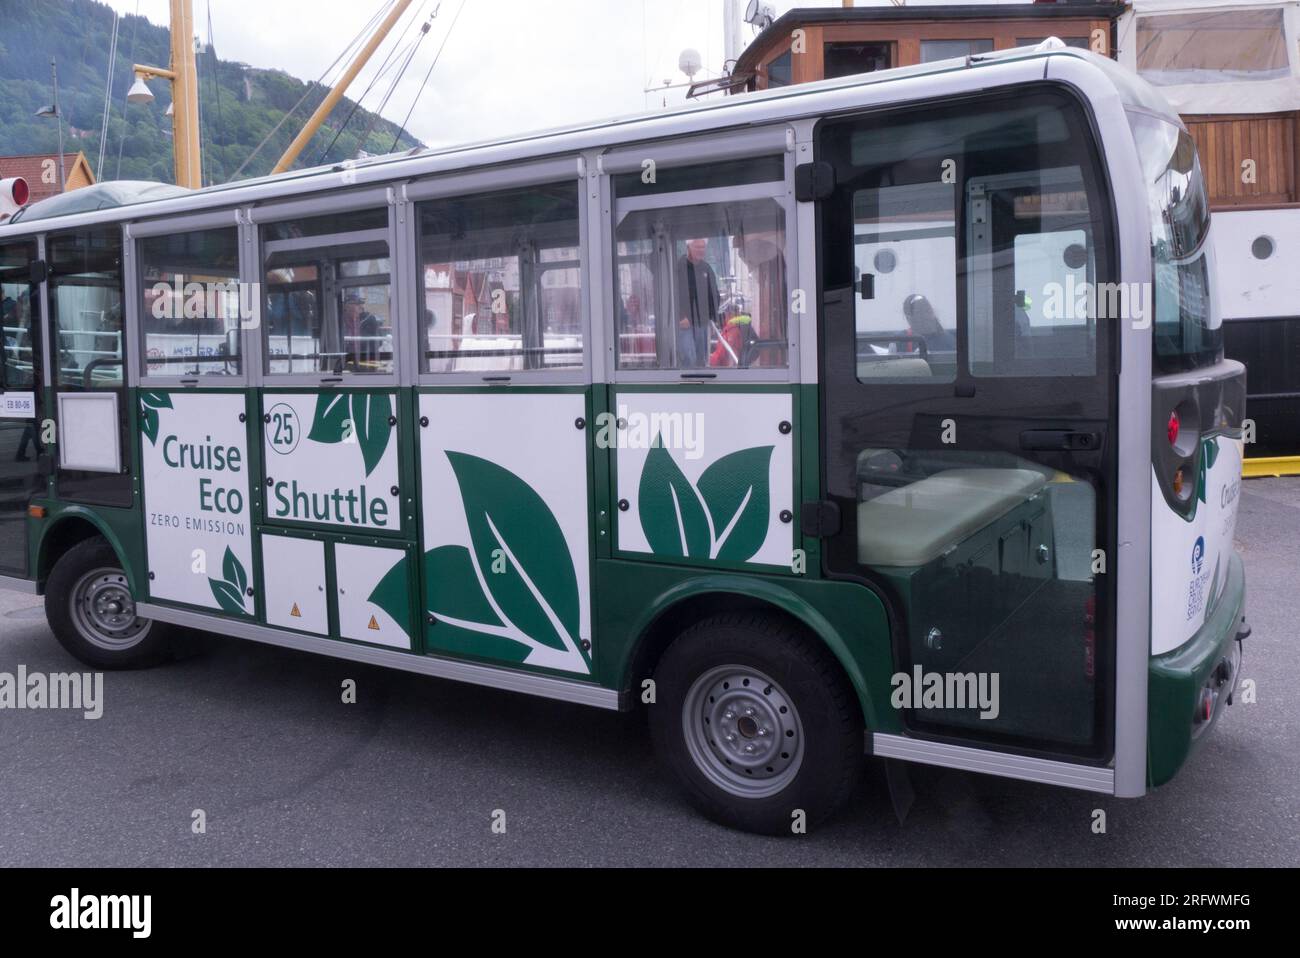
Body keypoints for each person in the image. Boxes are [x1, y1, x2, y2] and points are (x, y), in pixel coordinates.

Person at [673, 238, 719, 368]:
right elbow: (671, 295)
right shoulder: (678, 268)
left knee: (701, 358)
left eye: (703, 247)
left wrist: (712, 316)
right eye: (697, 247)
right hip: (683, 323)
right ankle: (687, 385)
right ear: (688, 247)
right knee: (689, 356)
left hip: (701, 322)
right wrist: (680, 318)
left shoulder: (707, 269)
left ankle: (702, 386)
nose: (701, 250)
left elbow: (714, 295)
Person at [342, 290, 381, 368]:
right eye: (357, 304)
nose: (361, 307)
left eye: (361, 304)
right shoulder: (339, 321)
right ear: (346, 306)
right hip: (345, 362)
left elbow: (378, 342)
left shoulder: (369, 319)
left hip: (366, 362)